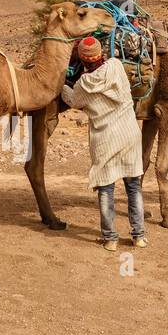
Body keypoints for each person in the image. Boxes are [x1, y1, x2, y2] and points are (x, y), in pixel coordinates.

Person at [61, 36, 146, 251]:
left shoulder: (81, 86)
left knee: (106, 189)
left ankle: (111, 239)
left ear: (81, 59)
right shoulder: (116, 66)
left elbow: (72, 100)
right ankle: (139, 236)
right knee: (133, 187)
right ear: (101, 53)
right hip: (129, 135)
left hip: (106, 140)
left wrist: (62, 84)